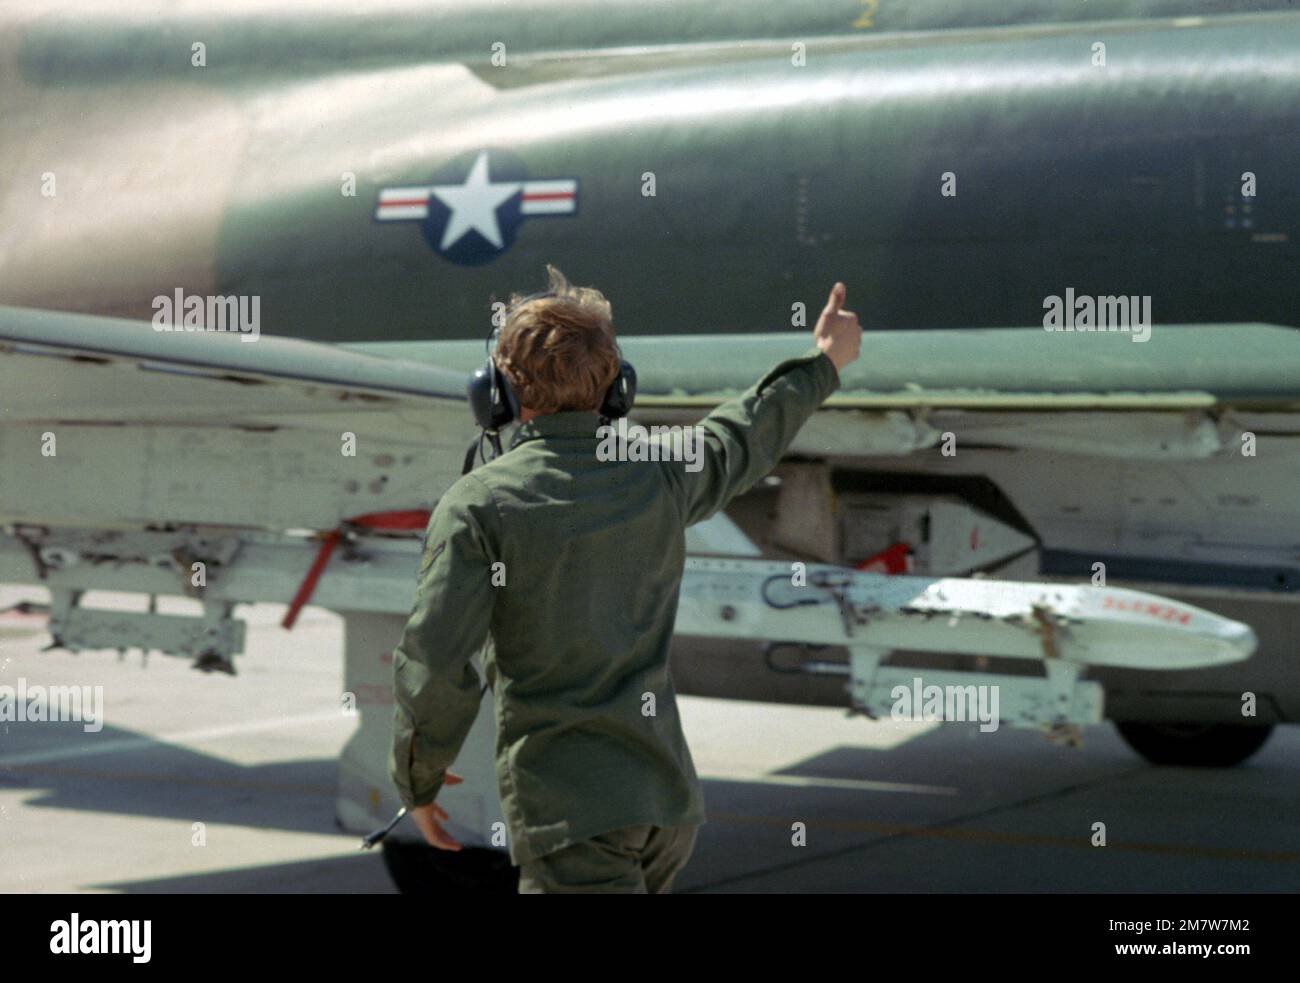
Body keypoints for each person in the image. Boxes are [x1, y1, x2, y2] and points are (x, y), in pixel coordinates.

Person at [389, 265, 861, 893]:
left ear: (497, 394)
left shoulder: (479, 505)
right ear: (618, 388)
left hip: (573, 811)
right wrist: (825, 360)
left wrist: (419, 777)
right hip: (665, 804)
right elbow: (744, 433)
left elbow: (438, 658)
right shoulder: (658, 474)